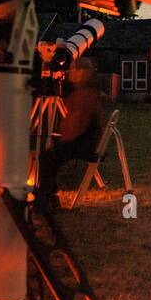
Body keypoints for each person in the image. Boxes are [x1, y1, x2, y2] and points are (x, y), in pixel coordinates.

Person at [38, 57, 105, 202]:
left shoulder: (84, 95)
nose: (69, 72)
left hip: (82, 144)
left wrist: (60, 141)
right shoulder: (88, 91)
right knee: (50, 154)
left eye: (73, 69)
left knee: (46, 157)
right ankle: (48, 193)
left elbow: (77, 125)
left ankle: (46, 195)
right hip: (85, 141)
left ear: (82, 73)